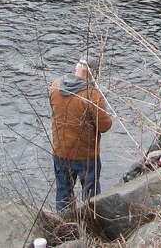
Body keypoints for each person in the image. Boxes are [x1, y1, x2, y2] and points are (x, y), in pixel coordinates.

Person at [49, 59, 113, 213]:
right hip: (86, 155)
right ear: (93, 74)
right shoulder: (91, 94)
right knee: (91, 198)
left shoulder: (55, 86)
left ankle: (64, 228)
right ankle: (92, 226)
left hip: (60, 151)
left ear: (76, 69)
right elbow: (105, 126)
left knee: (63, 194)